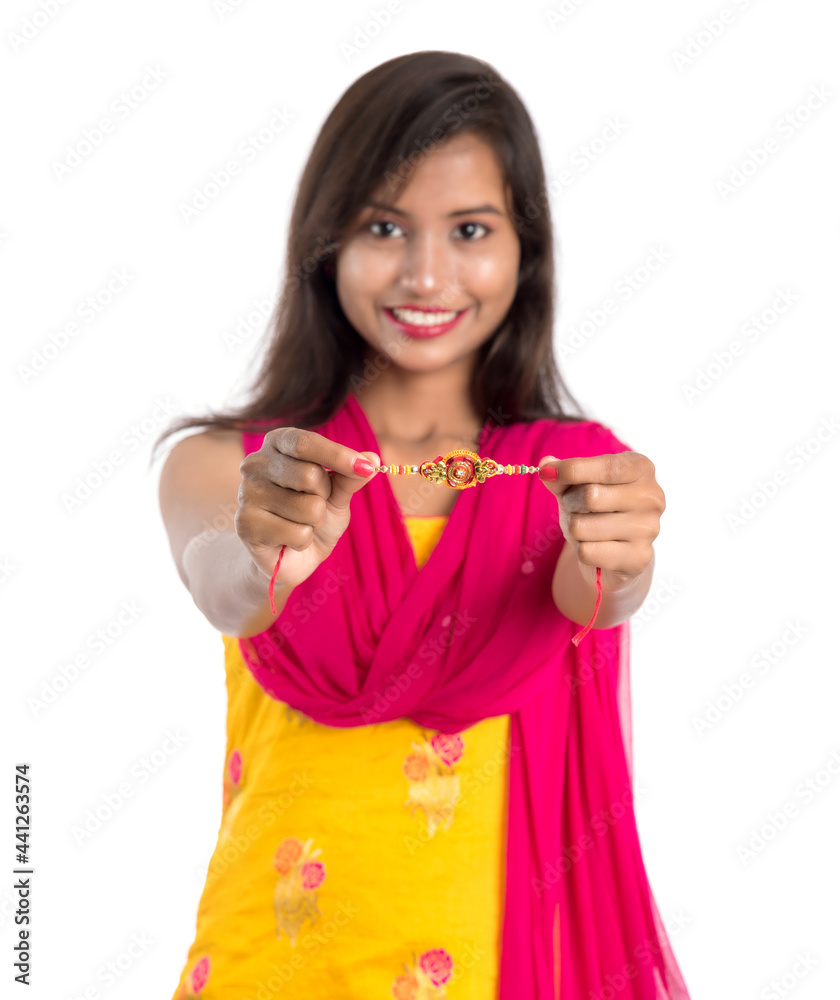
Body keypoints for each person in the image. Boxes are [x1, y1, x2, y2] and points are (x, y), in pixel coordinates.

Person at [153, 50, 691, 1000]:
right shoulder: (232, 461)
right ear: (327, 243)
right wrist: (262, 553)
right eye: (385, 226)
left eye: (470, 229)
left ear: (525, 251)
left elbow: (599, 596)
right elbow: (223, 587)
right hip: (266, 970)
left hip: (500, 971)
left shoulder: (570, 466)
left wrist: (623, 560)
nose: (427, 274)